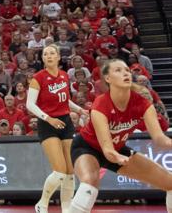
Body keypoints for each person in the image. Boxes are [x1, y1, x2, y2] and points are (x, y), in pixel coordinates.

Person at [68, 58, 172, 213]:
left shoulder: (143, 104)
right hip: (87, 147)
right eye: (118, 70)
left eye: (126, 70)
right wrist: (117, 158)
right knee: (90, 182)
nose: (125, 73)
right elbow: (107, 149)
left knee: (169, 183)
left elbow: (159, 138)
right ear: (108, 79)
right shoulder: (100, 104)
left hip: (118, 150)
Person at [27, 44, 87, 213]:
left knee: (70, 172)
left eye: (52, 53)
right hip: (48, 124)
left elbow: (65, 100)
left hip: (66, 122)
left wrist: (79, 109)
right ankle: (42, 203)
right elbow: (30, 104)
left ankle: (67, 208)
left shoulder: (63, 76)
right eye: (46, 54)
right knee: (59, 172)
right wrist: (48, 119)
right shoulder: (38, 78)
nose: (49, 56)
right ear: (43, 58)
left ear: (59, 56)